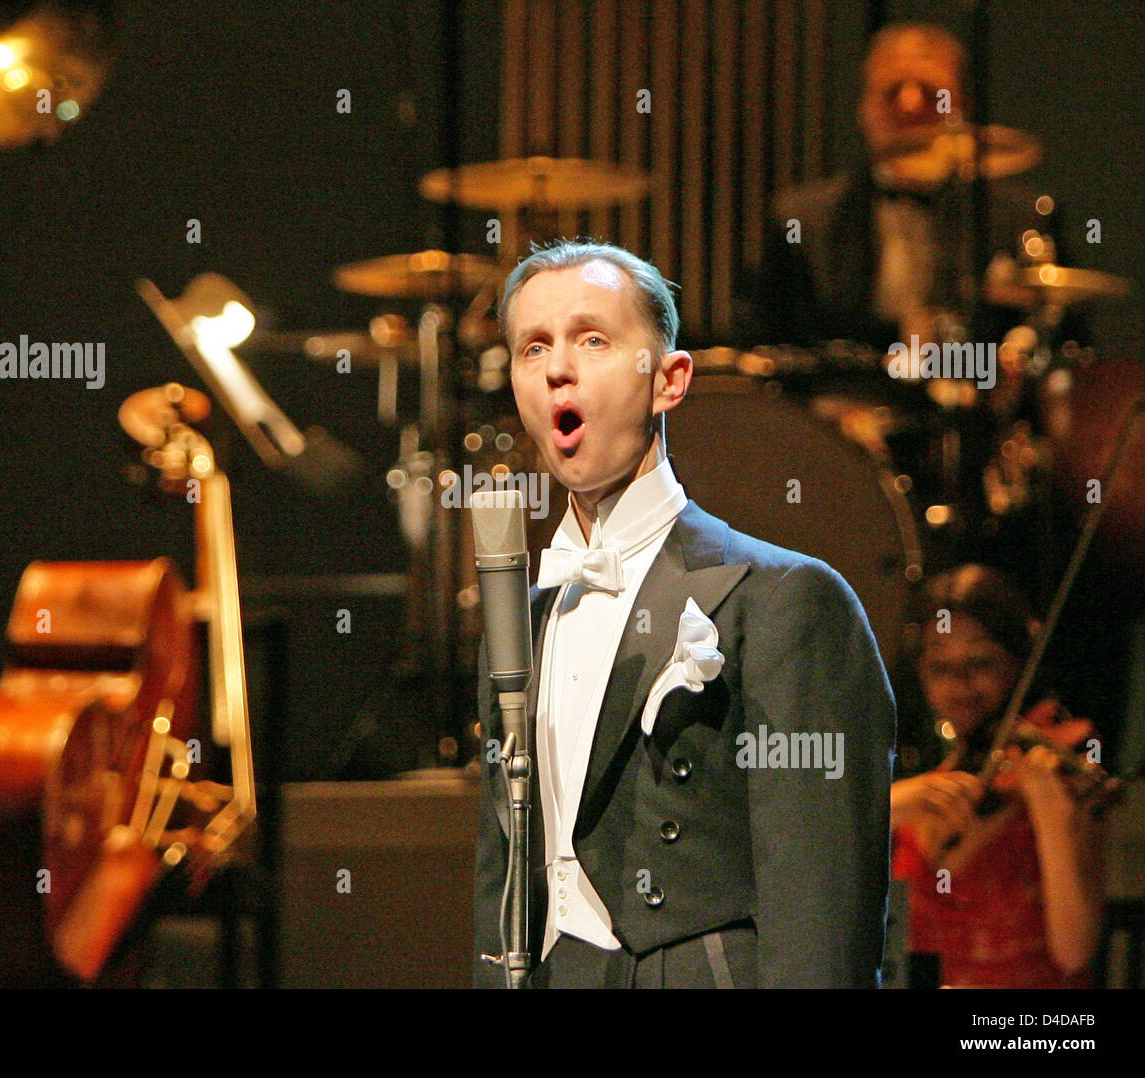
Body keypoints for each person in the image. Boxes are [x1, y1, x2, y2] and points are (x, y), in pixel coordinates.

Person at [472, 240, 896, 988]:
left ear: (669, 380)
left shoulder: (785, 600)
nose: (557, 366)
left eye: (592, 339)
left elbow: (820, 908)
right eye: (533, 347)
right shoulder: (522, 622)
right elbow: (503, 878)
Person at [747, 21, 1053, 354]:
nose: (910, 105)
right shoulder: (802, 221)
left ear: (961, 108)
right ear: (864, 108)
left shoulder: (1018, 217)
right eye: (891, 91)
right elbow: (771, 346)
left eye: (931, 92)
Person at [890, 564, 1103, 988]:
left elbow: (1074, 952)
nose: (960, 684)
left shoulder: (1057, 774)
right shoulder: (925, 791)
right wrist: (887, 806)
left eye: (980, 661)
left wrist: (1050, 813)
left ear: (1017, 662)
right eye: (940, 667)